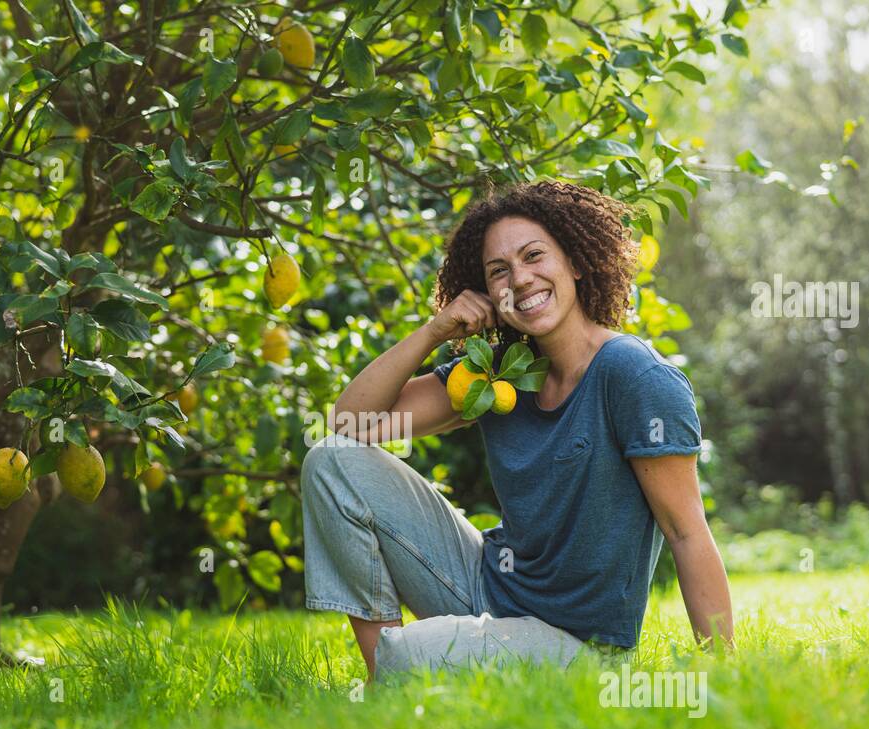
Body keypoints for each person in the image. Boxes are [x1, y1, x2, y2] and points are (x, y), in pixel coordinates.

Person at [301, 180, 734, 681]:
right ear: (486, 292)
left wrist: (720, 672)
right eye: (499, 271)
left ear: (574, 262)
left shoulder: (634, 377)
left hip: (576, 644)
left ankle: (397, 665)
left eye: (534, 256)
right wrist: (434, 331)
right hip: (488, 586)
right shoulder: (499, 373)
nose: (521, 279)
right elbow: (351, 425)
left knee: (410, 658)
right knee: (331, 459)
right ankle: (386, 671)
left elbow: (685, 531)